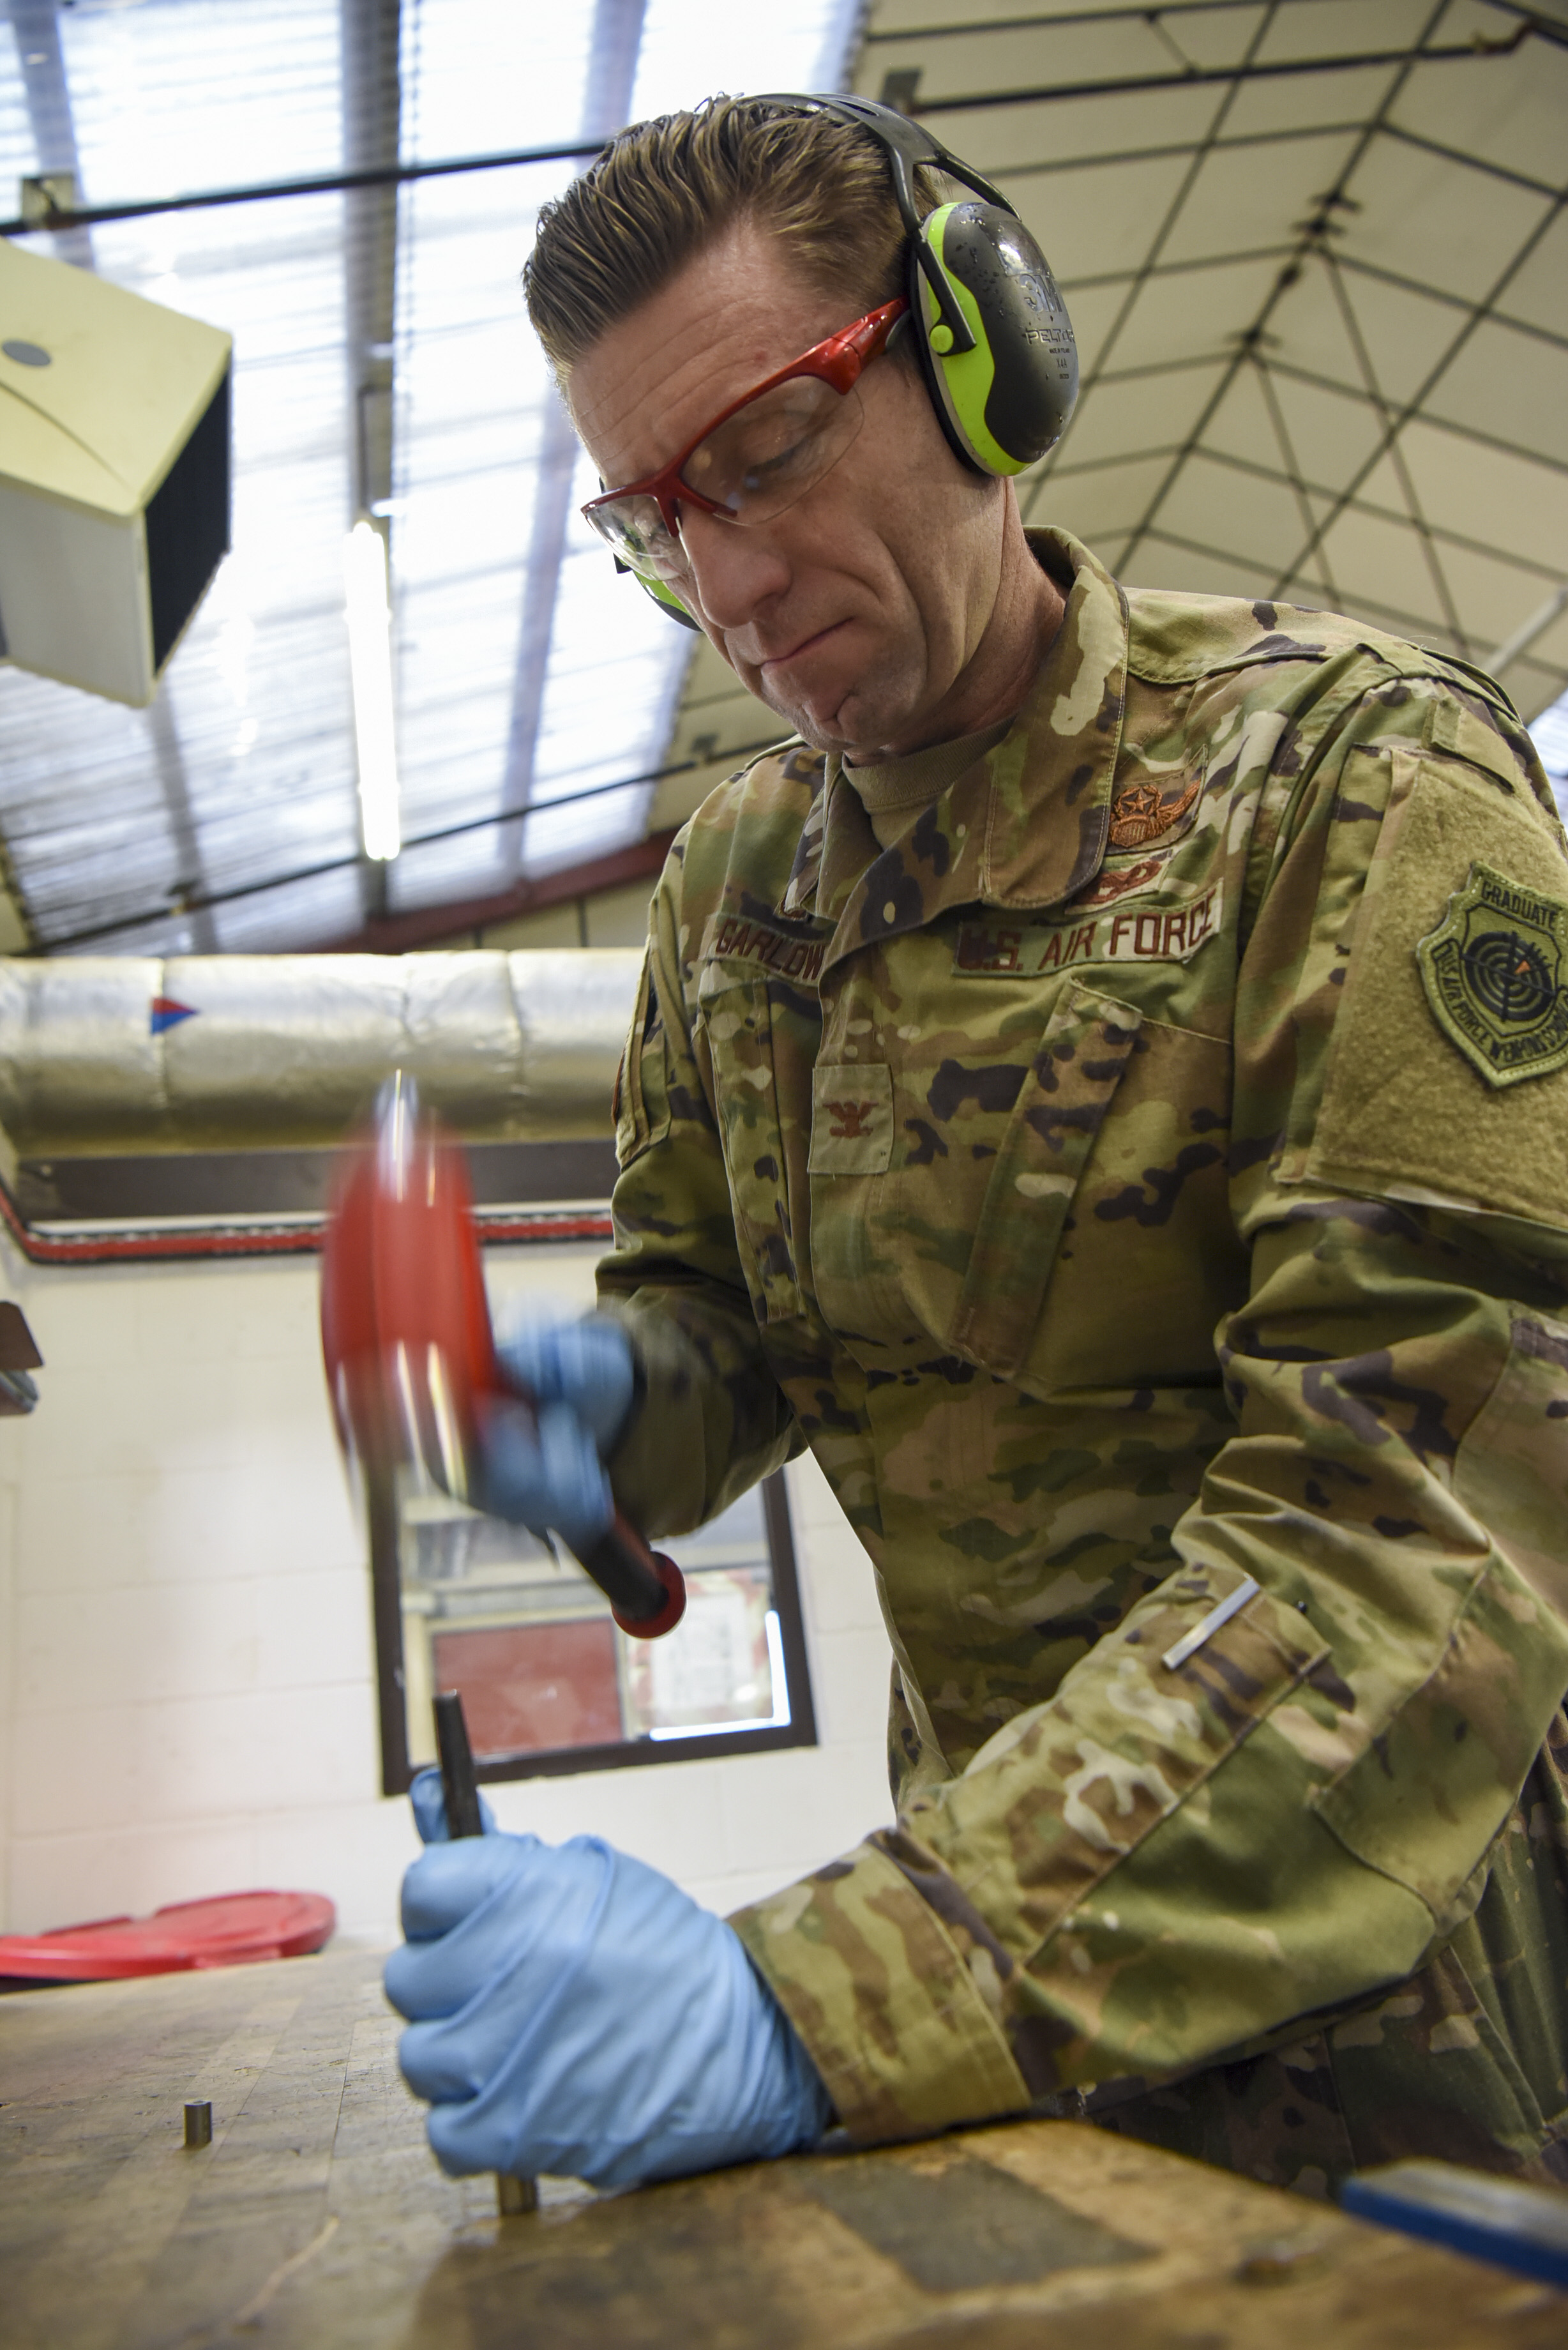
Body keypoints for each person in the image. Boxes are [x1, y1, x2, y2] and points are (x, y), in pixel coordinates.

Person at [384, 93, 1568, 2201]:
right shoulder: (738, 886)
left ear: (982, 357)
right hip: (1007, 2018)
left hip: (1413, 2052)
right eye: (658, 513)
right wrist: (605, 1406)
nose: (729, 578)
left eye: (768, 449)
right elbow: (720, 1313)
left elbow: (1414, 1546)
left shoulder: (1355, 788)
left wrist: (817, 2002)